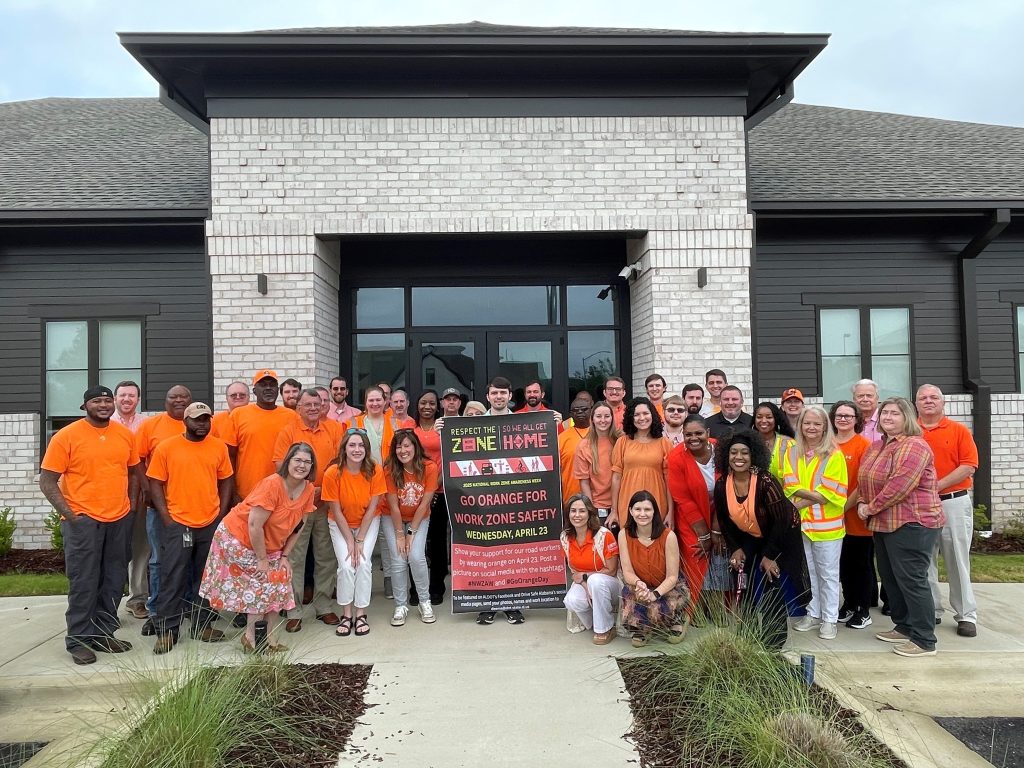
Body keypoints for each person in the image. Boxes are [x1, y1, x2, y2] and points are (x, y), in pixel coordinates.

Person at [39, 386, 141, 665]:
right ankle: (78, 639)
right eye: (98, 401)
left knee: (113, 580)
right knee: (84, 581)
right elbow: (47, 481)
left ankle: (104, 633)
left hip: (118, 519)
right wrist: (71, 516)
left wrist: (131, 506)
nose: (105, 405)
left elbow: (133, 473)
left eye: (108, 400)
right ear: (85, 406)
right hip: (83, 521)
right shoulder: (67, 436)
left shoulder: (124, 435)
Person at [200, 443, 317, 653]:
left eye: (307, 462)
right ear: (288, 461)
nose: (302, 465)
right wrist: (262, 560)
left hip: (271, 545)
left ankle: (269, 639)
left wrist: (284, 556)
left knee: (280, 582)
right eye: (297, 460)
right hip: (238, 538)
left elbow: (299, 526)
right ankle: (251, 638)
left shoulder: (308, 490)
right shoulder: (272, 485)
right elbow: (254, 525)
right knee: (261, 585)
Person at [858, 397, 945, 657]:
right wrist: (863, 500)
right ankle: (904, 626)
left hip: (912, 523)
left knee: (912, 580)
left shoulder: (914, 446)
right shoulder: (877, 446)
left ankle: (924, 639)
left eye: (895, 413)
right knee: (892, 578)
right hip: (884, 523)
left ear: (906, 417)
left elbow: (899, 486)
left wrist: (868, 508)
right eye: (884, 413)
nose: (888, 417)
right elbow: (864, 479)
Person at [147, 402, 234, 653]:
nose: (201, 424)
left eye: (206, 419)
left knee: (206, 577)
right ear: (185, 421)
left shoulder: (217, 446)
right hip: (178, 522)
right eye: (196, 420)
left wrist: (221, 513)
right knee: (172, 576)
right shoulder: (167, 447)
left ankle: (202, 624)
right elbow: (155, 482)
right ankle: (167, 631)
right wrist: (166, 518)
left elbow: (226, 478)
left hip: (209, 522)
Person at [712, 430, 807, 649]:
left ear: (753, 455)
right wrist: (735, 548)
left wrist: (769, 555)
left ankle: (774, 640)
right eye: (734, 452)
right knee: (742, 574)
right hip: (751, 532)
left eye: (745, 452)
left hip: (781, 534)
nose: (739, 457)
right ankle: (748, 631)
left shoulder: (765, 482)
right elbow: (725, 521)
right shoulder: (722, 484)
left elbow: (781, 522)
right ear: (726, 455)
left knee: (769, 578)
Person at [272, 388, 345, 630]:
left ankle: (324, 606)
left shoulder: (334, 429)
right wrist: (305, 491)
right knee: (295, 556)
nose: (313, 408)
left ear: (323, 406)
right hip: (296, 506)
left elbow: (340, 463)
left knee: (326, 556)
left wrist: (323, 490)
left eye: (317, 404)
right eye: (308, 404)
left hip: (326, 503)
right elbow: (281, 467)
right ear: (298, 407)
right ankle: (293, 609)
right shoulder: (288, 431)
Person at [917, 384, 980, 637]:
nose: (928, 401)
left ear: (943, 403)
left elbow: (968, 466)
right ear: (916, 404)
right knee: (924, 560)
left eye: (934, 397)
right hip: (919, 504)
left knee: (957, 559)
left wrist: (936, 486)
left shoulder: (958, 430)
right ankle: (931, 609)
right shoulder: (911, 432)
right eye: (923, 398)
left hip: (952, 501)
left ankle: (966, 615)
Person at [785, 406, 848, 640]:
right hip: (804, 525)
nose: (811, 428)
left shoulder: (834, 454)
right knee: (810, 573)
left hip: (827, 526)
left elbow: (831, 492)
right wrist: (811, 495)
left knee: (828, 574)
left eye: (817, 424)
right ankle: (814, 612)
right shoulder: (792, 451)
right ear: (800, 425)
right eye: (807, 423)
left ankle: (830, 619)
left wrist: (799, 502)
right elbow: (789, 484)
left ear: (825, 427)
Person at [134, 385, 192, 635]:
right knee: (158, 560)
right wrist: (146, 489)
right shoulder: (151, 426)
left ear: (191, 401)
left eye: (183, 397)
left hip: (193, 508)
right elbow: (136, 459)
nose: (178, 400)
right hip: (160, 507)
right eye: (173, 397)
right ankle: (156, 611)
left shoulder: (199, 423)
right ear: (165, 400)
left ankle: (188, 607)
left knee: (189, 560)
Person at [322, 428, 386, 638]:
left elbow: (373, 507)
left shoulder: (375, 470)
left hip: (367, 523)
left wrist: (359, 540)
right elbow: (336, 510)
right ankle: (346, 614)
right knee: (347, 566)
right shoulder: (333, 472)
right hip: (340, 524)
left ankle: (361, 614)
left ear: (366, 449)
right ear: (344, 448)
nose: (356, 449)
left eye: (361, 445)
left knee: (364, 563)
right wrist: (350, 540)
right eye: (352, 445)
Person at [477, 377, 526, 625]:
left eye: (503, 393)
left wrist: (554, 424)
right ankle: (487, 604)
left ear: (510, 396)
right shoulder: (474, 425)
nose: (498, 397)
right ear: (488, 397)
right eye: (494, 393)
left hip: (513, 499)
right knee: (488, 554)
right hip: (485, 500)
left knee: (511, 555)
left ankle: (511, 604)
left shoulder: (522, 423)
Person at [348, 385, 402, 598]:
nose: (375, 404)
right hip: (363, 484)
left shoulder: (395, 423)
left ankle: (389, 579)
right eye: (370, 400)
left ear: (385, 401)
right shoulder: (354, 423)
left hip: (389, 484)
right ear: (365, 402)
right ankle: (361, 585)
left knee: (387, 539)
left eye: (379, 400)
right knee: (363, 535)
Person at [666, 414, 720, 619]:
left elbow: (729, 489)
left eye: (698, 433)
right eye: (688, 435)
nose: (693, 438)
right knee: (696, 558)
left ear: (708, 433)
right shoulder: (676, 457)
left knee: (720, 558)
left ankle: (718, 610)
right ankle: (691, 611)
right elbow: (683, 499)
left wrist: (717, 529)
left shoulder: (721, 449)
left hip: (721, 514)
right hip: (692, 519)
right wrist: (705, 536)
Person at [383, 429, 439, 626]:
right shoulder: (390, 469)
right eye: (398, 446)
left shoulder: (429, 467)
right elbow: (393, 506)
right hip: (392, 517)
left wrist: (411, 533)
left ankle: (425, 601)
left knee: (416, 556)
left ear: (415, 447)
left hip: (419, 518)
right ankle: (400, 605)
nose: (403, 450)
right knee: (398, 558)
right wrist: (400, 535)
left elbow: (425, 504)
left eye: (407, 445)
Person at [618, 491, 688, 647]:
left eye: (647, 509)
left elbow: (672, 577)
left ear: (655, 511)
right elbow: (627, 571)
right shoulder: (624, 535)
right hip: (642, 585)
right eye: (638, 509)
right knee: (631, 594)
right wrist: (639, 584)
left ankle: (677, 619)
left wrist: (654, 594)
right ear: (630, 511)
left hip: (667, 586)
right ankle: (643, 626)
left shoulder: (668, 536)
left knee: (660, 606)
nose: (642, 514)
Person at [221, 370, 299, 500]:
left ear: (277, 390)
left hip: (283, 492)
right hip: (247, 492)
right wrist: (233, 493)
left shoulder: (292, 417)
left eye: (272, 384)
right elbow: (229, 457)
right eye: (263, 385)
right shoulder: (238, 415)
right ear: (254, 391)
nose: (268, 388)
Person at [830, 400, 874, 629]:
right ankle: (848, 603)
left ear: (857, 419)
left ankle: (863, 609)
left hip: (854, 514)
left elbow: (863, 483)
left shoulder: (864, 445)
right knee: (843, 564)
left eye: (848, 415)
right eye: (839, 415)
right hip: (830, 518)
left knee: (860, 564)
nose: (843, 419)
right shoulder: (827, 444)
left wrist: (842, 507)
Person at [560, 494, 620, 645]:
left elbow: (612, 570)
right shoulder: (565, 537)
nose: (577, 515)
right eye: (573, 511)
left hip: (611, 585)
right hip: (586, 582)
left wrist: (587, 577)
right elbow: (574, 573)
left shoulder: (603, 535)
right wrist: (586, 585)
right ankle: (597, 619)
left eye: (582, 511)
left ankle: (605, 629)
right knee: (572, 601)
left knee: (596, 581)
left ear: (590, 513)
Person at [112, 380, 149, 621]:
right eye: (122, 395)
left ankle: (137, 598)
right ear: (115, 398)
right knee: (113, 550)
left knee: (140, 548)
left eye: (131, 395)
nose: (127, 399)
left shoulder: (147, 424)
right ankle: (108, 603)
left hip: (142, 493)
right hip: (112, 494)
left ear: (138, 399)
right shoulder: (105, 423)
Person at [611, 397, 674, 529]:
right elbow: (616, 478)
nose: (642, 418)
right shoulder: (622, 442)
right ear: (631, 418)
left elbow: (670, 481)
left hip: (657, 502)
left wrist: (670, 512)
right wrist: (614, 511)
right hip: (628, 503)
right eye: (637, 414)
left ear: (653, 415)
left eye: (645, 413)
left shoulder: (664, 443)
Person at [415, 390, 448, 605]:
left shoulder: (443, 429)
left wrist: (434, 486)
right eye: (423, 402)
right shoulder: (411, 429)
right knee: (416, 545)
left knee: (437, 543)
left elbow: (449, 458)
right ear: (417, 406)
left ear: (438, 407)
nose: (427, 406)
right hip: (414, 494)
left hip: (439, 492)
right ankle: (415, 588)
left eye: (432, 403)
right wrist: (421, 490)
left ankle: (437, 587)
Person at [574, 401, 621, 526]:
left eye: (607, 416)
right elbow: (584, 482)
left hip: (621, 504)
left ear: (612, 418)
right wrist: (591, 510)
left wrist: (616, 509)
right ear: (592, 419)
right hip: (598, 507)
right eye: (599, 416)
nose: (603, 420)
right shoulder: (584, 446)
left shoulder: (620, 441)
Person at [558, 397, 590, 505]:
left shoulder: (601, 434)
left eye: (584, 409)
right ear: (571, 414)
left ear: (591, 410)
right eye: (575, 410)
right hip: (570, 498)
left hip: (599, 498)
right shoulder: (561, 438)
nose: (580, 412)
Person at [753, 401, 795, 482]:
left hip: (783, 493)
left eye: (769, 417)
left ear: (776, 419)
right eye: (759, 417)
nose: (764, 420)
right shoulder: (748, 443)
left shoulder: (789, 444)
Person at [853, 379, 882, 443]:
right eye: (860, 396)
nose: (865, 399)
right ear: (854, 399)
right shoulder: (848, 420)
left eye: (869, 396)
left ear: (877, 398)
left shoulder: (886, 419)